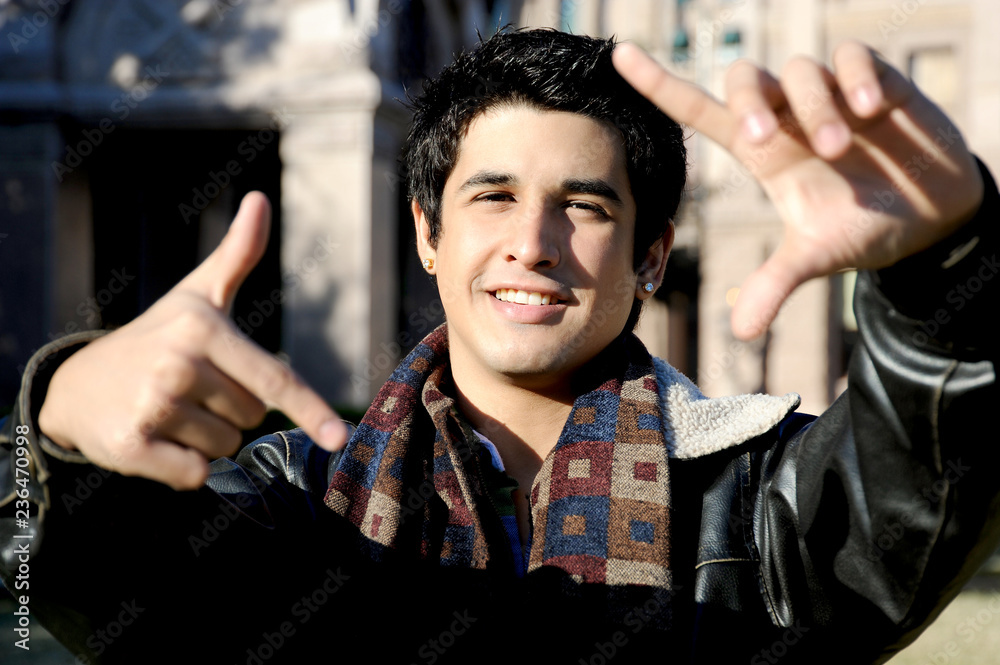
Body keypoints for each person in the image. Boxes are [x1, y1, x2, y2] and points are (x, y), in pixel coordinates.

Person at [1, 27, 997, 664]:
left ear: (652, 254)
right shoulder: (289, 494)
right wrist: (67, 420)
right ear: (429, 232)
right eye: (492, 196)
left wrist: (945, 270)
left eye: (583, 204)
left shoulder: (766, 489)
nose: (531, 241)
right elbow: (129, 597)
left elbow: (912, 496)